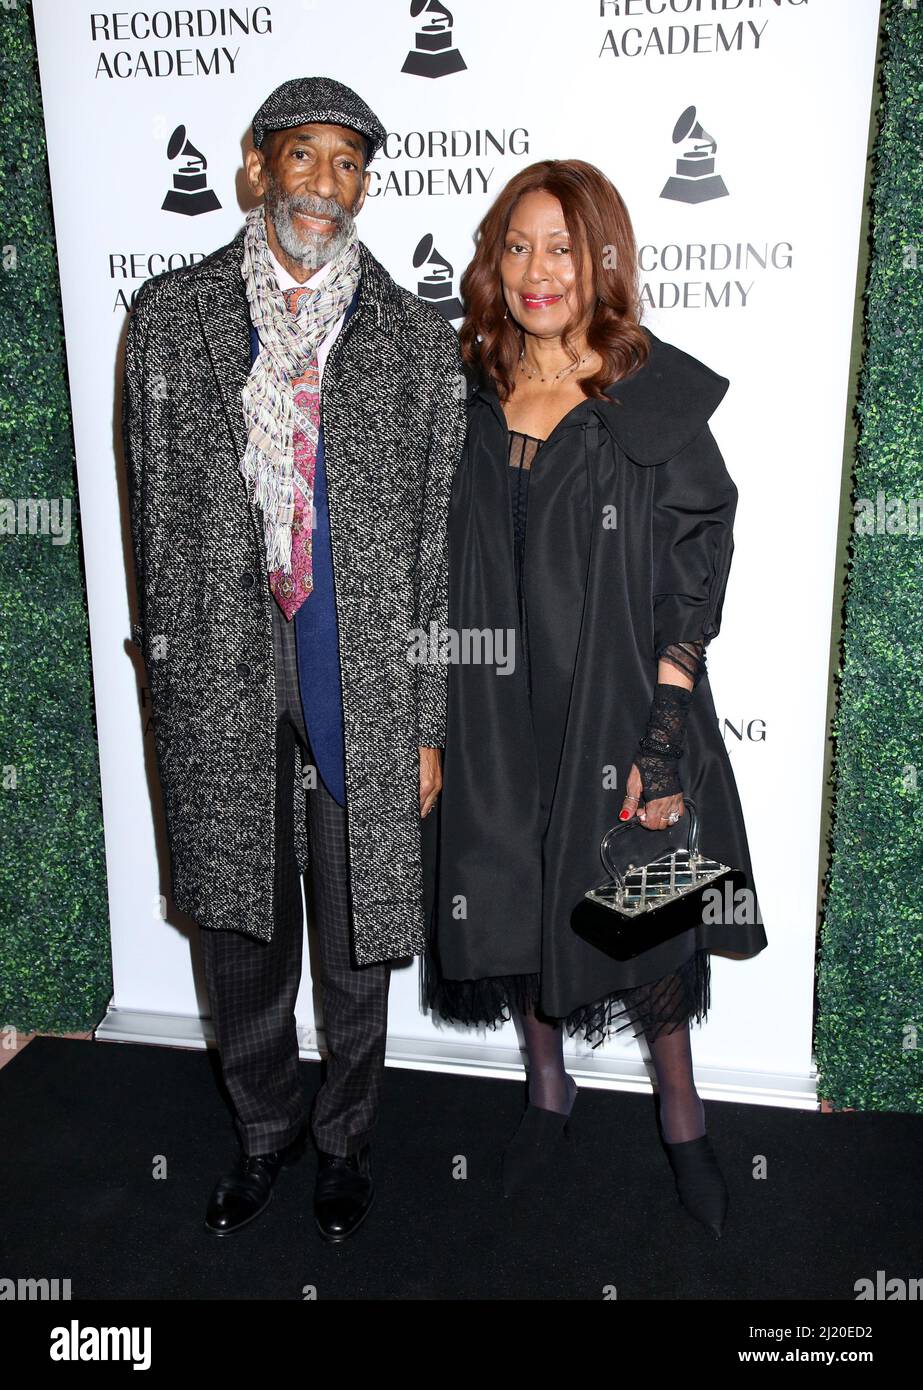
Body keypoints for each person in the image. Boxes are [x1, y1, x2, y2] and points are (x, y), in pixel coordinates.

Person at [123, 77, 466, 1243]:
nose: (327, 184)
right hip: (223, 673)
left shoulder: (418, 346)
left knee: (360, 938)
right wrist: (174, 690)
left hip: (357, 682)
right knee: (241, 936)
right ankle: (265, 1134)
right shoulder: (174, 318)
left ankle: (344, 1142)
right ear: (257, 169)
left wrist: (422, 719)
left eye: (349, 163)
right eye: (304, 157)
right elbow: (154, 520)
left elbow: (430, 551)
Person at [423, 159, 767, 1237]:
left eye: (561, 248)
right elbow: (427, 553)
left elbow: (692, 558)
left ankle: (679, 1112)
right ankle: (547, 1091)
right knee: (517, 897)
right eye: (517, 246)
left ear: (598, 258)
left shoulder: (643, 390)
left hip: (616, 704)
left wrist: (663, 728)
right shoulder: (464, 388)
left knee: (638, 916)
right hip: (491, 708)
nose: (536, 271)